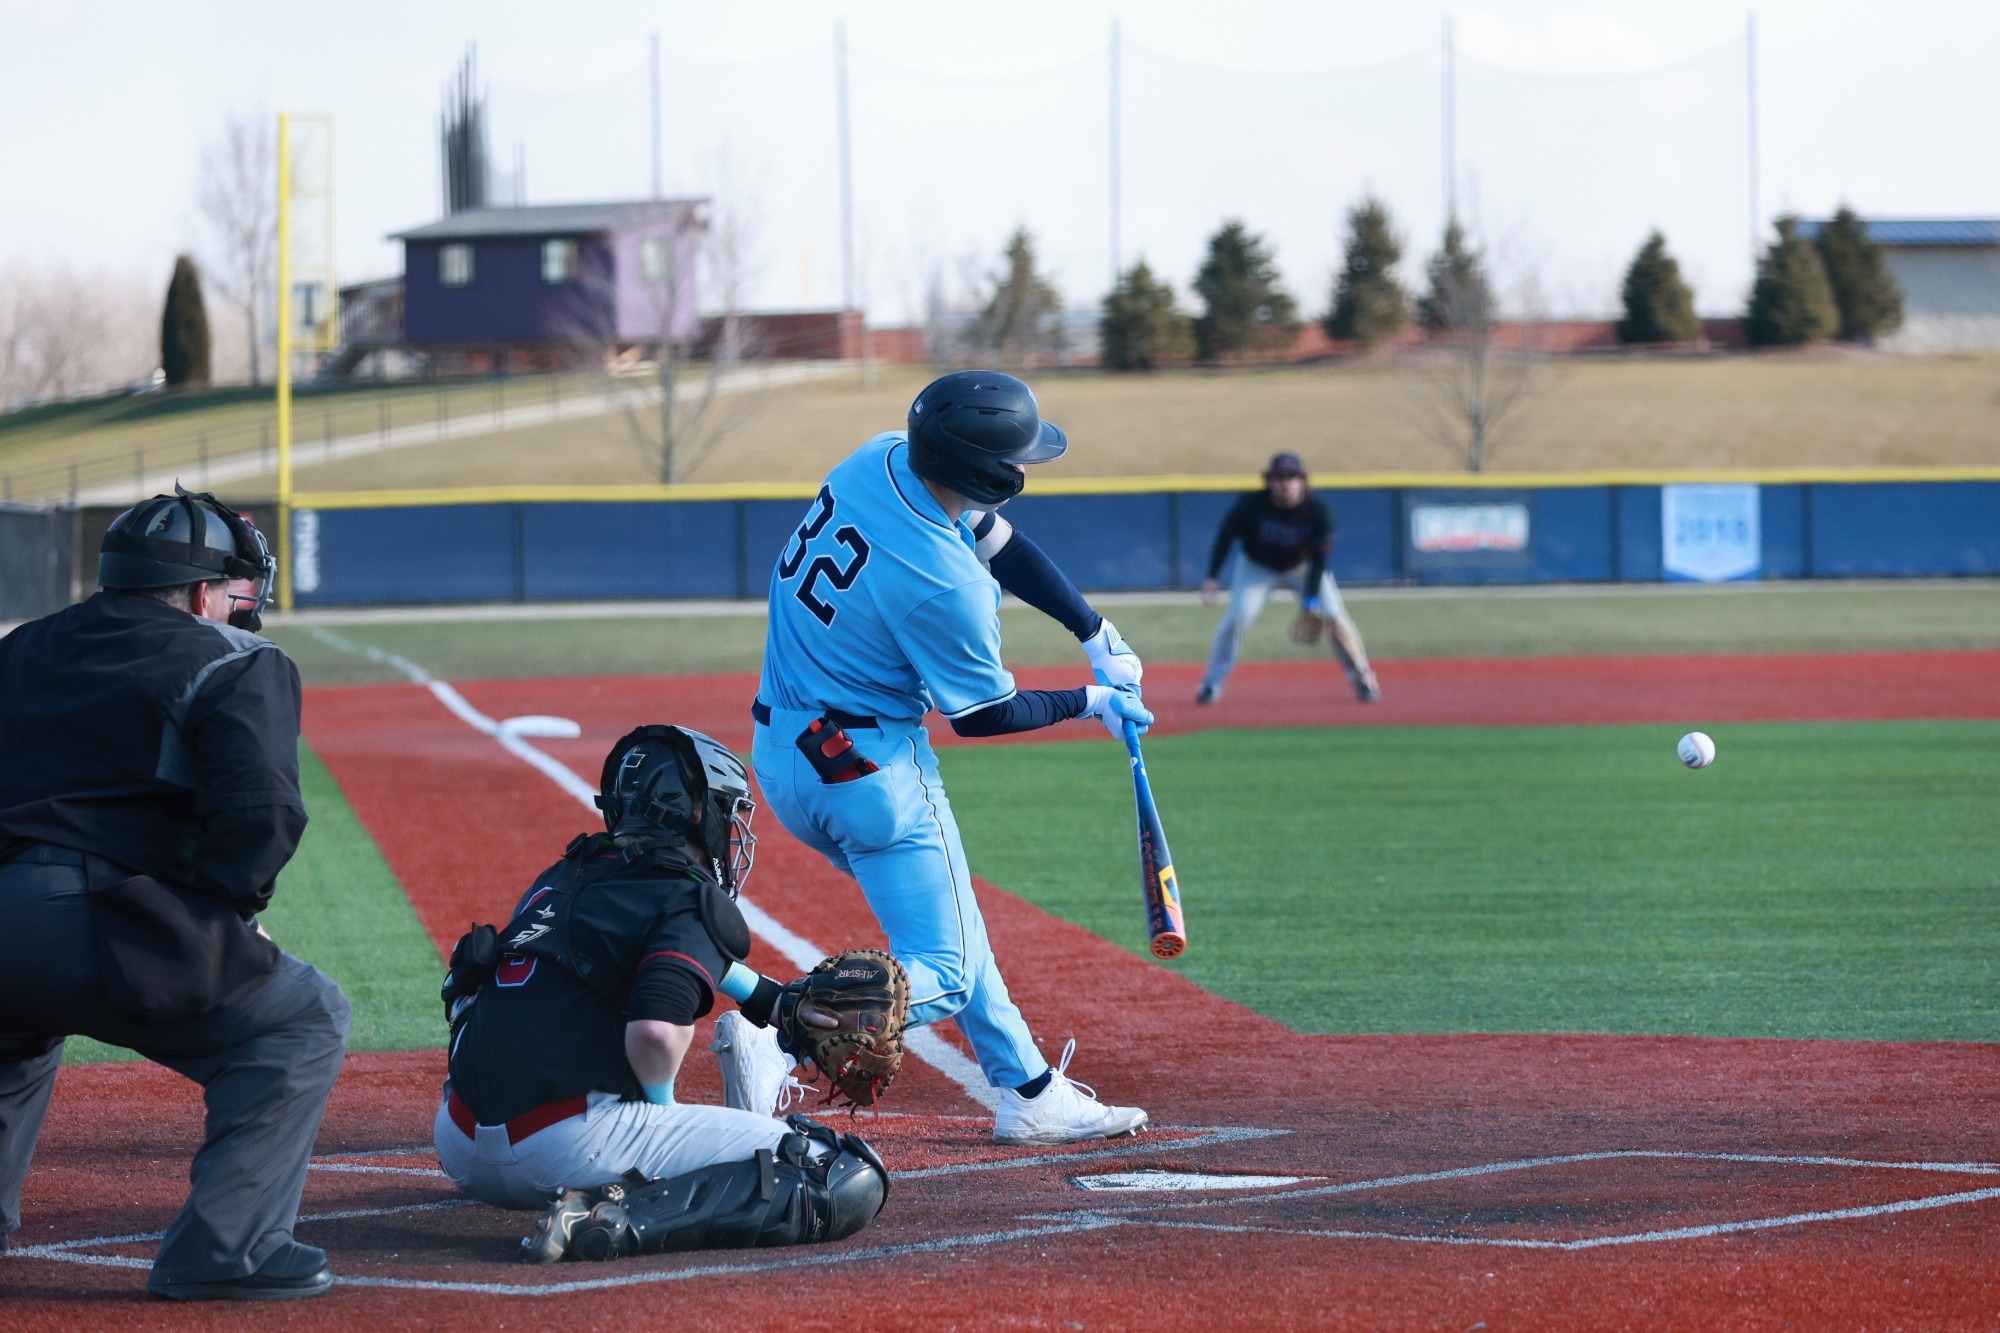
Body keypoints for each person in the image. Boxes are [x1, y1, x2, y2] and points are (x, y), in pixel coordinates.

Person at [742, 368, 1153, 1147]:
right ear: (989, 470)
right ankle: (783, 1031)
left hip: (784, 752)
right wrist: (1091, 700)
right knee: (948, 966)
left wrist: (1092, 629)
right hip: (870, 774)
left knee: (951, 926)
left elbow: (1000, 539)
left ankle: (1029, 1089)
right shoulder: (945, 584)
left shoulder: (879, 458)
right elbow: (986, 713)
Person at [0, 487, 351, 1301]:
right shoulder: (235, 658)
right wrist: (224, 914)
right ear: (202, 594)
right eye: (232, 592)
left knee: (15, 1033)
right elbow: (262, 815)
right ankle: (228, 1250)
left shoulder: (22, 647)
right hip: (95, 916)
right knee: (305, 1019)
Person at [436, 724, 888, 1264]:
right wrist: (661, 1121)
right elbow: (653, 1030)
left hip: (461, 1144)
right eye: (726, 809)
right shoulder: (687, 895)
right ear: (695, 812)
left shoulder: (565, 874)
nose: (733, 827)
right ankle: (621, 1219)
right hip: (566, 1148)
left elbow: (628, 953)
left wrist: (774, 1001)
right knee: (844, 1175)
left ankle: (598, 1183)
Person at [1197, 452, 1380, 705]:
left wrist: (1311, 601)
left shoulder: (1317, 511)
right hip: (1257, 567)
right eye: (1280, 477)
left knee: (1335, 618)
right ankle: (1211, 684)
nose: (1286, 483)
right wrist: (1212, 577)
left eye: (1292, 477)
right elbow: (1225, 537)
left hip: (1303, 568)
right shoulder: (1251, 505)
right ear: (1269, 481)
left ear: (1303, 481)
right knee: (1237, 619)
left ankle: (1363, 679)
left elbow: (1319, 561)